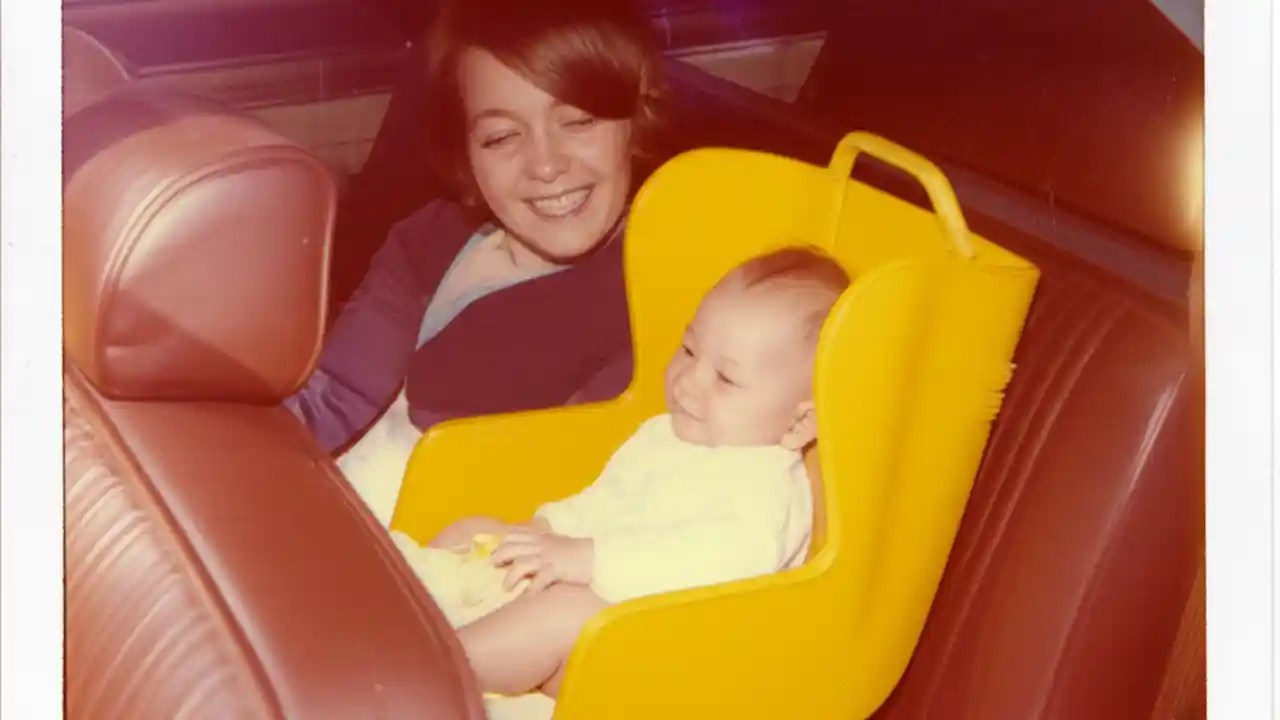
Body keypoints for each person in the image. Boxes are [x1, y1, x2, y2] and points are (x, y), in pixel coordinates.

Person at [395, 247, 851, 707]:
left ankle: (418, 672)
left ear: (798, 423)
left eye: (726, 379)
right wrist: (545, 531)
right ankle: (398, 612)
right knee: (477, 530)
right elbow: (604, 500)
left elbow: (713, 562)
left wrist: (590, 560)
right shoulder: (667, 433)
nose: (688, 380)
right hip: (591, 594)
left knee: (563, 616)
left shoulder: (765, 489)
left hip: (658, 656)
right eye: (690, 349)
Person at [285, 0, 668, 525]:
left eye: (578, 121)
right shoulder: (432, 238)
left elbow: (565, 490)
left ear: (636, 120)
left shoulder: (651, 294)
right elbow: (335, 395)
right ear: (465, 150)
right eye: (502, 137)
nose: (547, 164)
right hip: (336, 507)